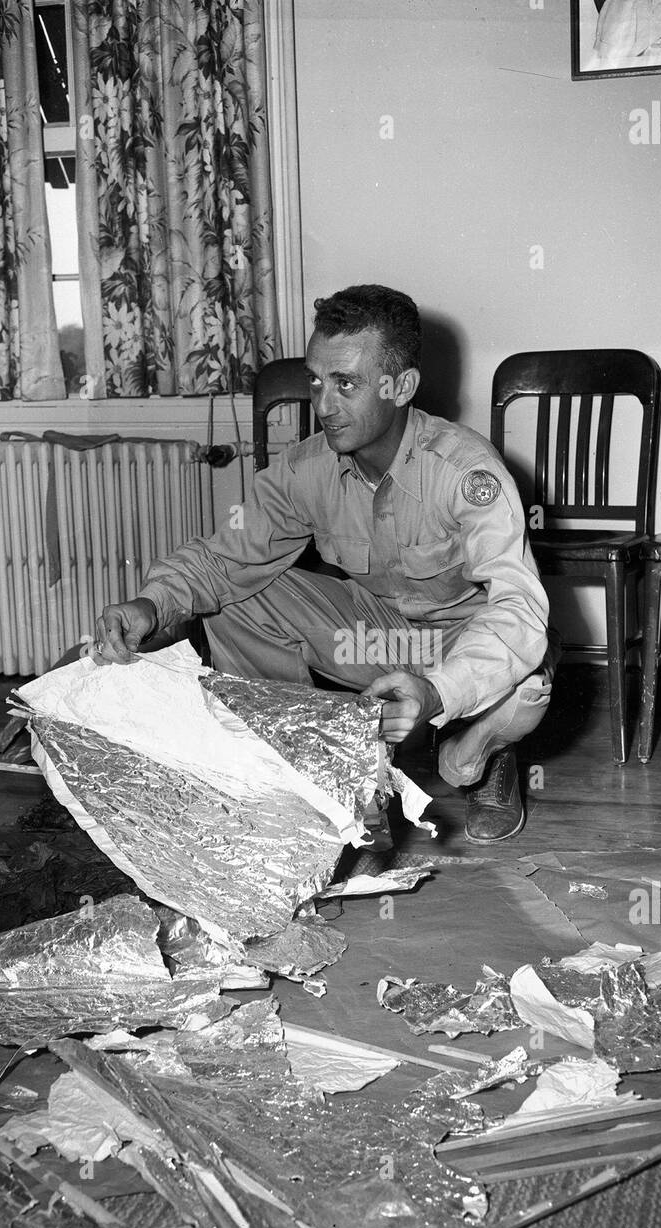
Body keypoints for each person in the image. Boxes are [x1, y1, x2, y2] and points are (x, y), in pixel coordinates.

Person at [93, 285, 557, 843]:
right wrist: (151, 604)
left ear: (401, 386)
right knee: (239, 597)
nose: (324, 405)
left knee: (527, 682)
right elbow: (224, 559)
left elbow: (519, 606)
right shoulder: (303, 470)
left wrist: (435, 691)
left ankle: (480, 753)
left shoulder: (465, 473)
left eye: (347, 383)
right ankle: (300, 774)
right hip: (381, 638)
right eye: (317, 379)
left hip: (463, 642)